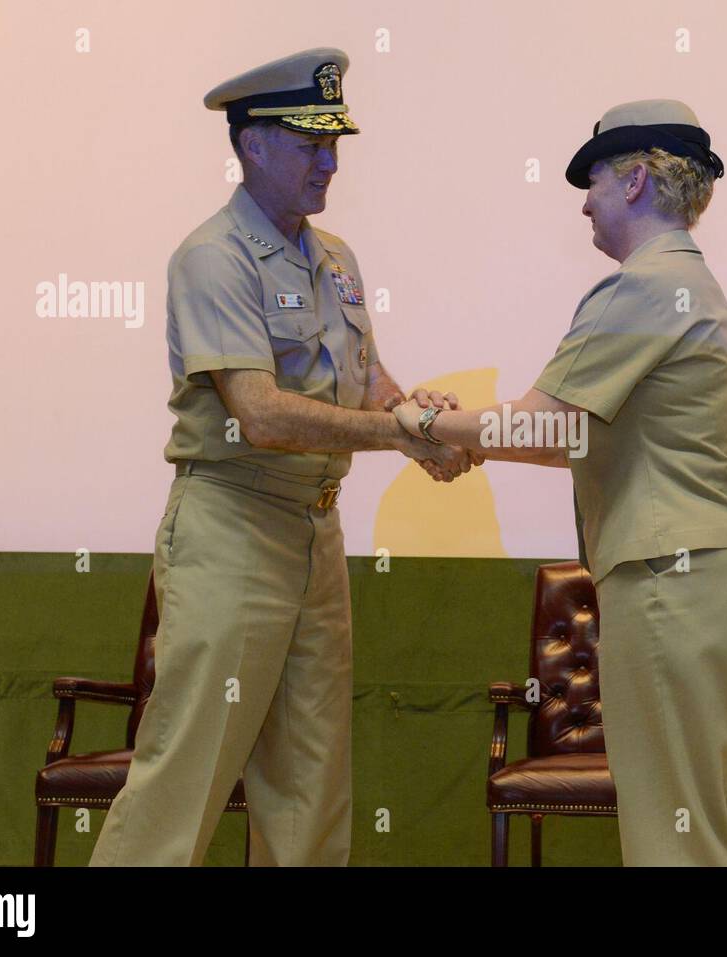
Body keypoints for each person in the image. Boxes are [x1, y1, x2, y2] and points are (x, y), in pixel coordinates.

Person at [90, 48, 473, 866]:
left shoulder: (335, 258)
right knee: (183, 780)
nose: (330, 163)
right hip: (231, 532)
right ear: (253, 144)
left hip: (315, 538)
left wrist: (415, 413)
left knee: (309, 788)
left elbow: (364, 379)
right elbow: (259, 414)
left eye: (336, 144)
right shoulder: (212, 257)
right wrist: (400, 436)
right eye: (310, 145)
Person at [392, 100, 727, 866]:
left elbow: (541, 426)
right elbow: (567, 436)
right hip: (714, 572)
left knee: (675, 834)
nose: (584, 199)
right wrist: (454, 433)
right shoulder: (686, 288)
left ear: (637, 179)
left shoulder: (643, 288)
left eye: (596, 178)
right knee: (698, 821)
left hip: (676, 576)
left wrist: (423, 426)